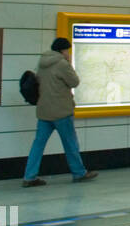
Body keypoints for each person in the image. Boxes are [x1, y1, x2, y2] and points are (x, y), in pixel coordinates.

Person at [23, 37, 97, 186]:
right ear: (63, 50)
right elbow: (75, 82)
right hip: (61, 111)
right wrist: (69, 63)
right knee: (70, 143)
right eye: (67, 50)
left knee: (38, 144)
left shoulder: (42, 62)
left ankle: (29, 177)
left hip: (44, 111)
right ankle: (79, 173)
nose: (68, 53)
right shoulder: (62, 64)